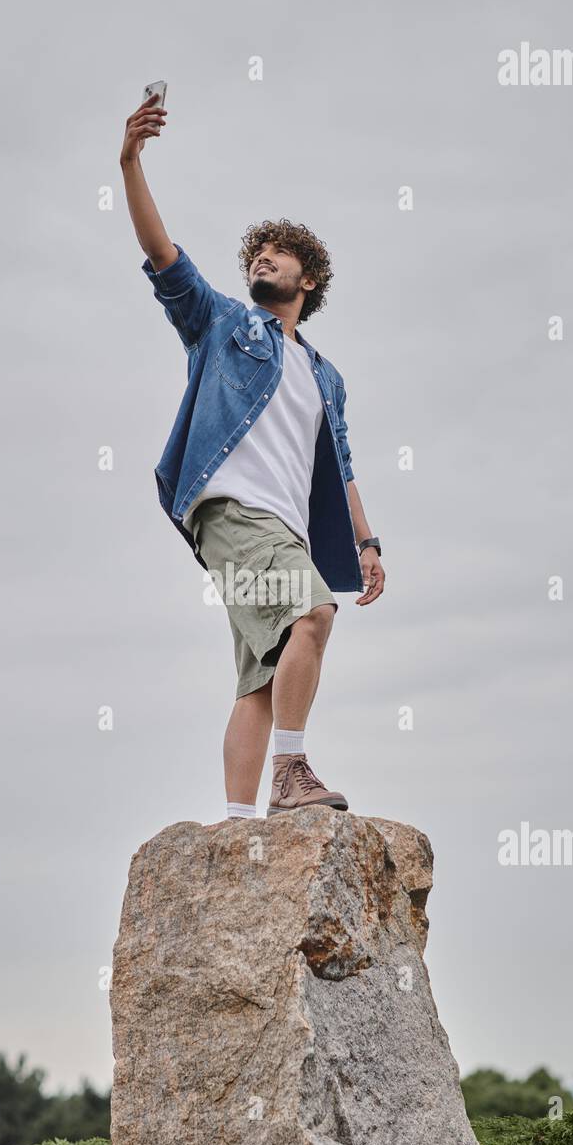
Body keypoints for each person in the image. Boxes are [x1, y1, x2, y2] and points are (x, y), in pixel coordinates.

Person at [120, 92, 385, 818]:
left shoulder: (324, 376)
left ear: (309, 281)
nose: (262, 259)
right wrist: (130, 162)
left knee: (259, 682)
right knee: (314, 613)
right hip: (232, 511)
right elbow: (163, 257)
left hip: (281, 529)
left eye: (278, 254)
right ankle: (291, 774)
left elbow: (343, 465)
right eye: (256, 255)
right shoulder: (224, 326)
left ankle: (239, 832)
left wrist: (367, 541)